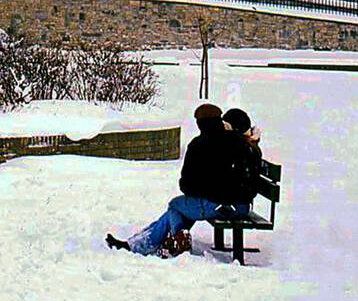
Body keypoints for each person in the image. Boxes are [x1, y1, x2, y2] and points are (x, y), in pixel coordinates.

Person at [106, 102, 250, 256]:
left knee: (175, 206)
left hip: (216, 205)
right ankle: (139, 243)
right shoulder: (238, 142)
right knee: (179, 211)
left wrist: (200, 189)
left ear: (200, 124)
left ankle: (177, 239)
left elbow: (186, 184)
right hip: (238, 205)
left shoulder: (197, 145)